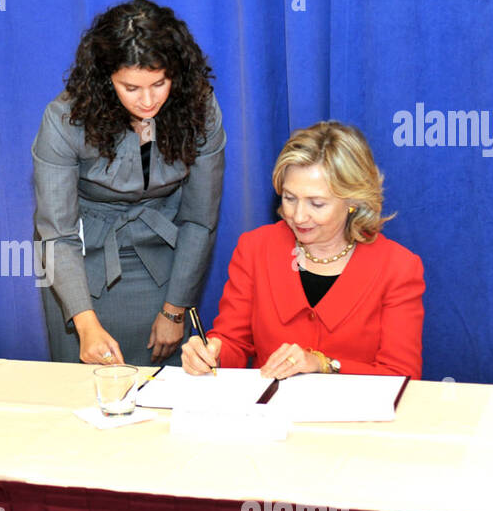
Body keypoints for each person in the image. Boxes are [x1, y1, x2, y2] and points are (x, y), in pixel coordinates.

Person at [33, 0, 226, 367]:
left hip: (166, 264)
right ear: (106, 79)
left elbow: (200, 219)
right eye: (131, 88)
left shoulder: (200, 109)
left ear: (177, 74)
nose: (149, 100)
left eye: (160, 83)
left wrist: (174, 310)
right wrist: (85, 324)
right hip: (80, 270)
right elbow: (56, 235)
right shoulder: (64, 119)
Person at [181, 121, 424, 379]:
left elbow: (401, 376)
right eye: (289, 198)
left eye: (317, 204)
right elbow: (234, 343)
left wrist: (323, 364)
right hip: (270, 414)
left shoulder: (397, 266)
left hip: (355, 418)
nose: (298, 216)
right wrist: (212, 352)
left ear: (353, 200)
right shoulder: (255, 248)